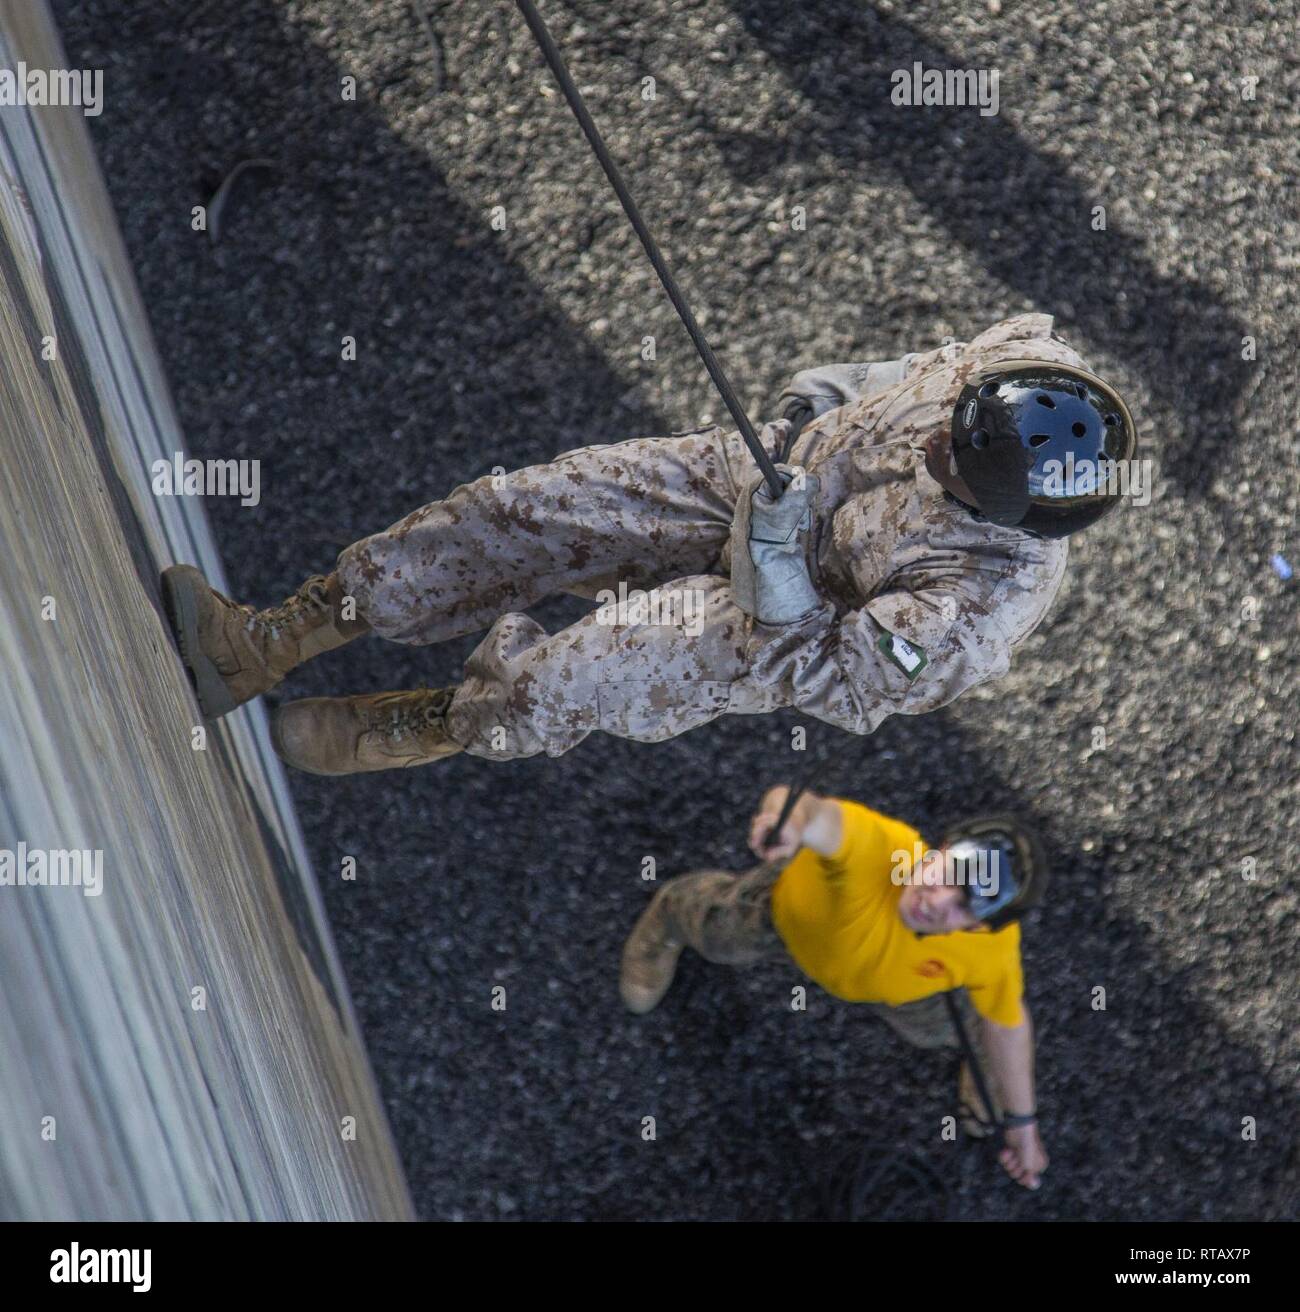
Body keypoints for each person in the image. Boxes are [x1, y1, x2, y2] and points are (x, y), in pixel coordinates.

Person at [162, 313, 1135, 775]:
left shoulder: (972, 610)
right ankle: (267, 640)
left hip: (774, 618)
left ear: (1000, 513)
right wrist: (821, 397)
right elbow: (917, 367)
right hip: (759, 476)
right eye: (951, 423)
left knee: (573, 678)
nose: (934, 443)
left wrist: (778, 558)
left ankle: (426, 725)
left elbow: (816, 666)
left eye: (953, 465)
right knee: (518, 513)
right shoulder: (1031, 369)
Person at [620, 787, 1051, 1190]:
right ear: (940, 849)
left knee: (957, 1029)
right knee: (717, 933)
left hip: (898, 985)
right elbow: (806, 806)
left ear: (979, 927)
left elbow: (1005, 1024)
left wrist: (1022, 1125)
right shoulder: (881, 848)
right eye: (949, 874)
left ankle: (989, 1077)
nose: (936, 901)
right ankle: (670, 914)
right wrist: (785, 821)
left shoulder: (992, 951)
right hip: (784, 922)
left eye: (964, 906)